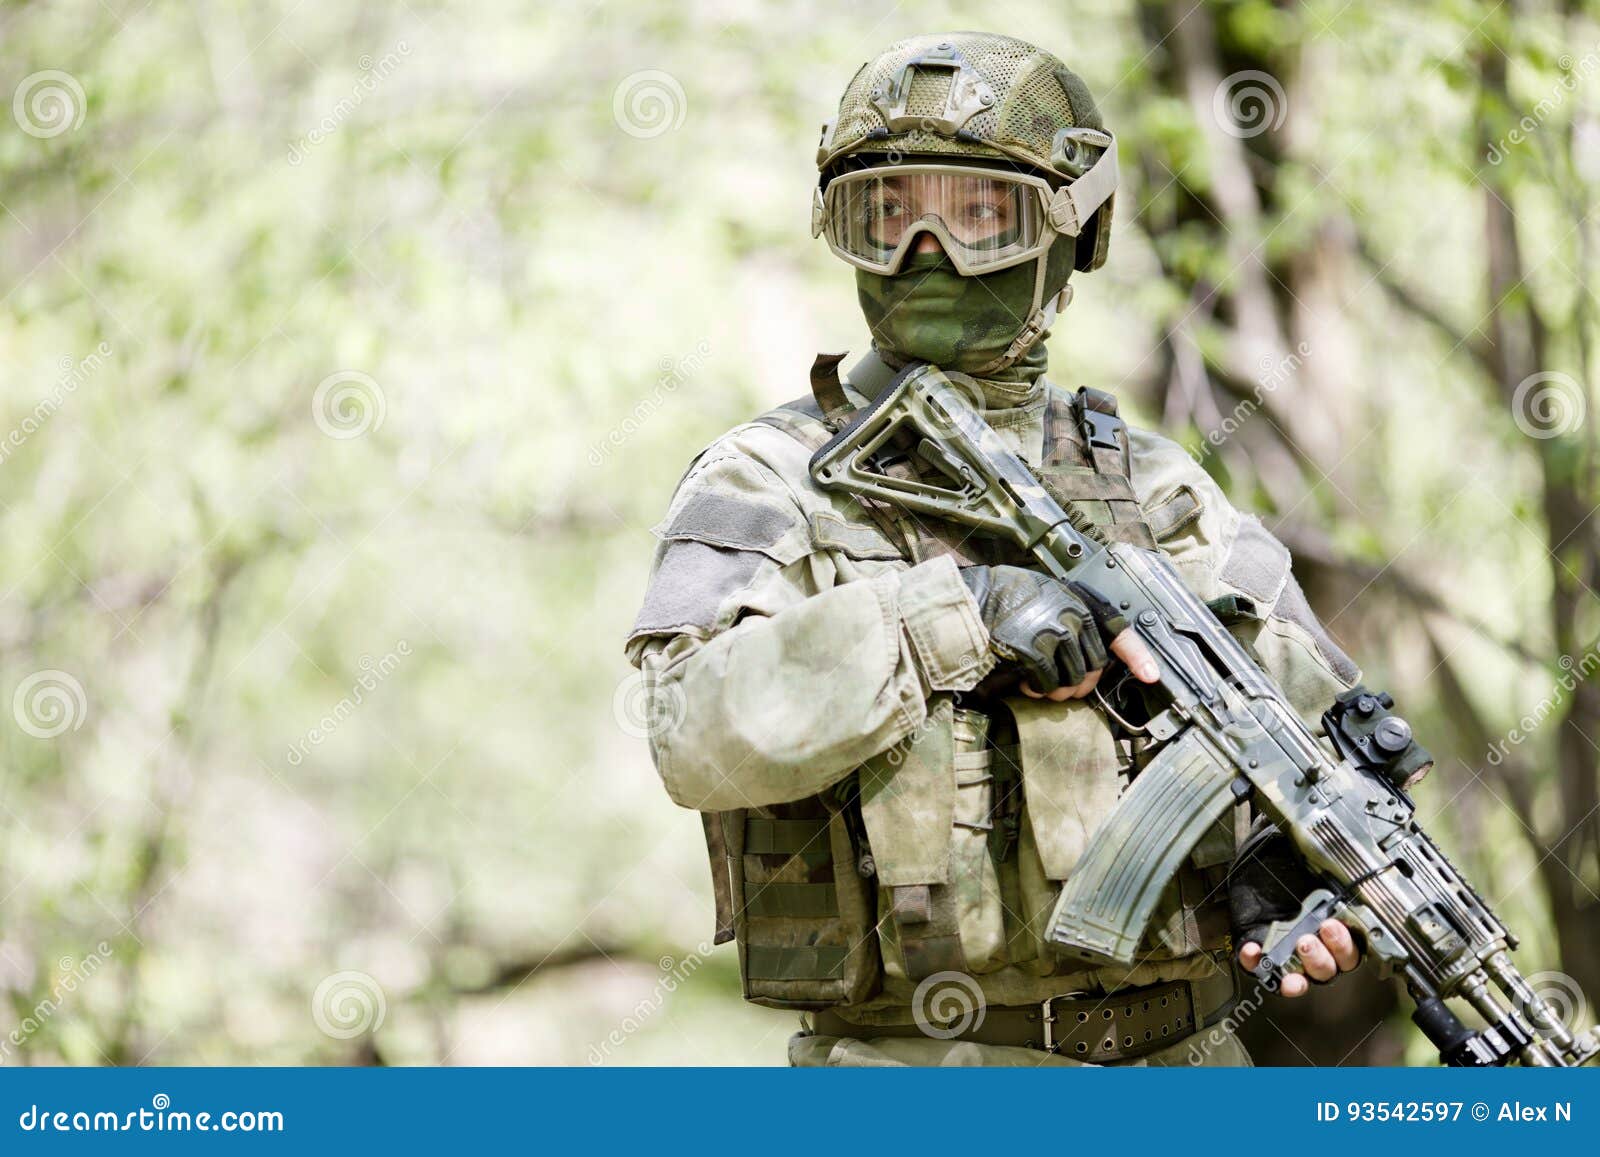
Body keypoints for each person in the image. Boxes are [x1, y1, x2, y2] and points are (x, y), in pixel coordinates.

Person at [624, 31, 1362, 1066]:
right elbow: (683, 723)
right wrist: (955, 615)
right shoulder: (769, 475)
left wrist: (1281, 862)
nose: (925, 250)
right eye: (883, 215)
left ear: (1071, 230)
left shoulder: (1155, 489)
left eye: (978, 214)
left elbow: (1322, 734)